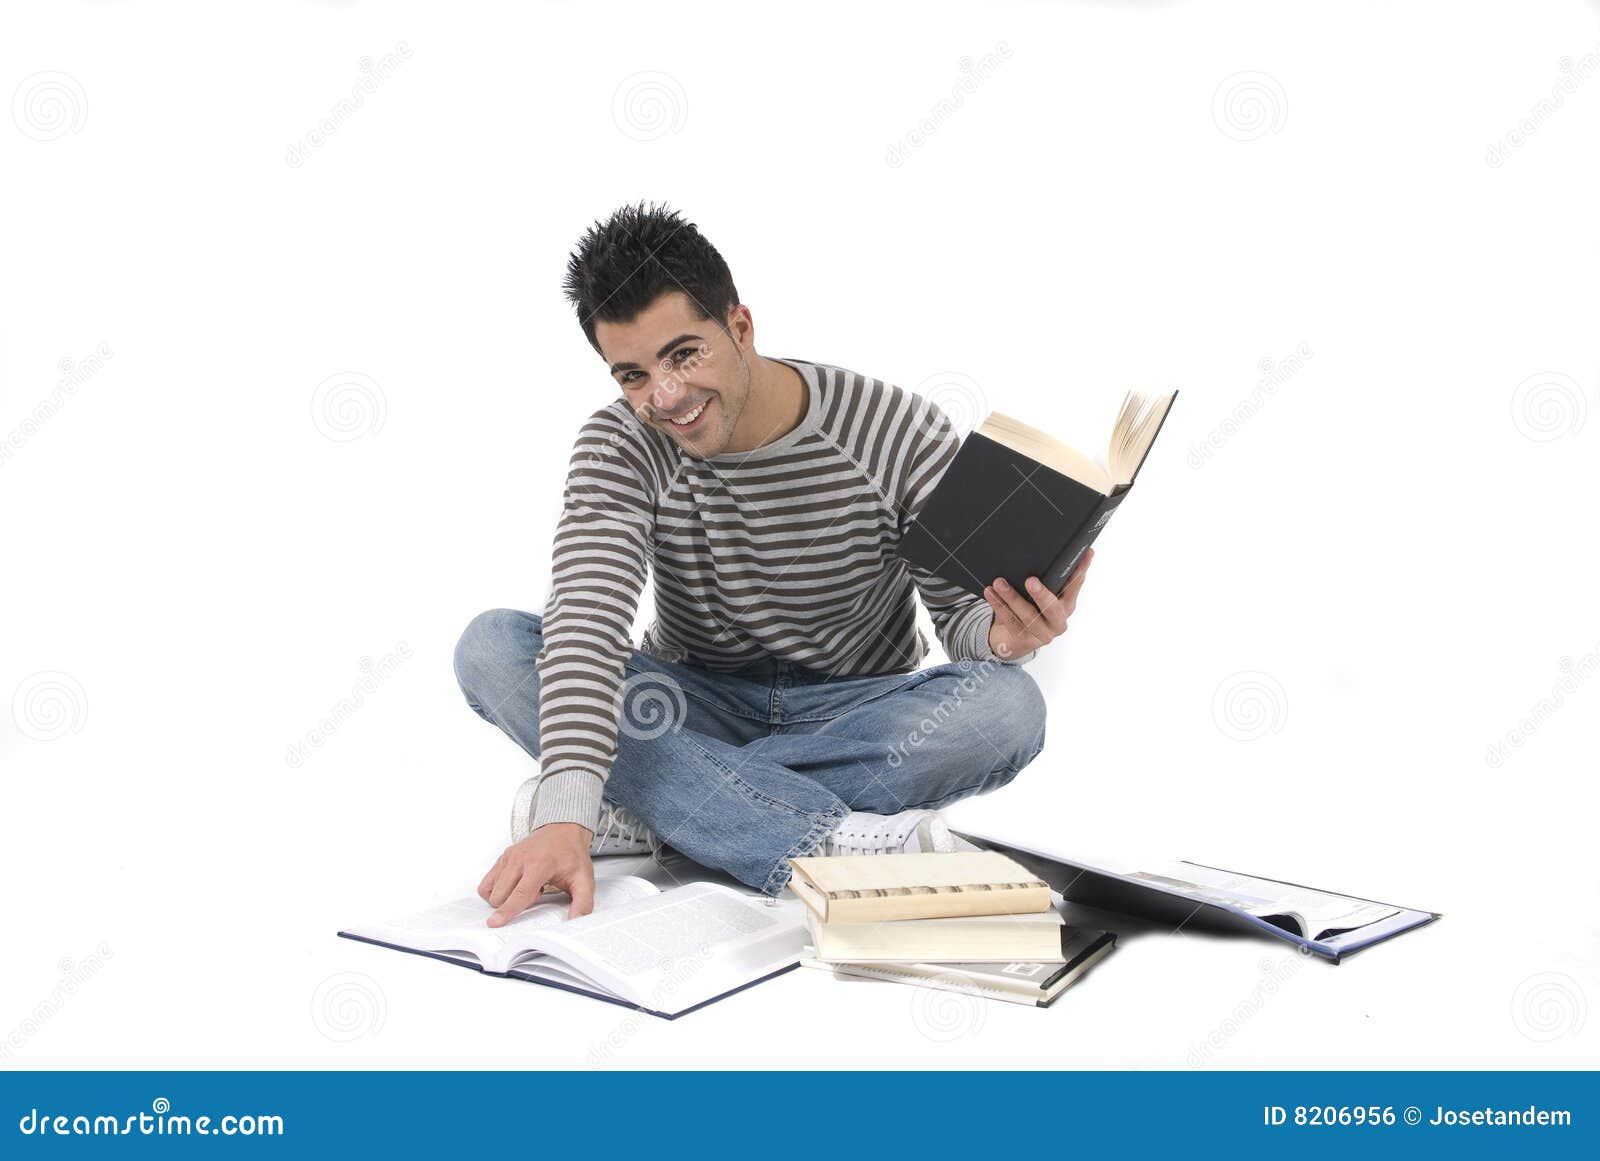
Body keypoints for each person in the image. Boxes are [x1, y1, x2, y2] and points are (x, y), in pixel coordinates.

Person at [453, 203, 1093, 927]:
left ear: (741, 327)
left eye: (684, 354)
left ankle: (659, 806)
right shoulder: (621, 443)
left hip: (855, 711)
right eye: (632, 374)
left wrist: (1006, 635)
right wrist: (568, 806)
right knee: (492, 647)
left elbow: (960, 620)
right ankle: (820, 837)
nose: (665, 397)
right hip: (693, 704)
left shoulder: (893, 428)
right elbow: (587, 616)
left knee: (1007, 707)